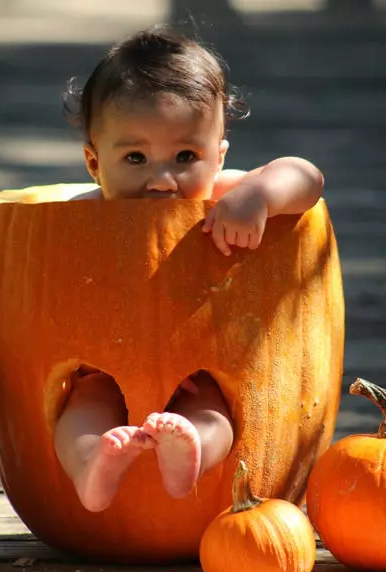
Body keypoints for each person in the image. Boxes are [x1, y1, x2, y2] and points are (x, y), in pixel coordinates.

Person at [54, 26, 325, 513]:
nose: (162, 180)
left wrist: (260, 194)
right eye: (135, 157)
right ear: (95, 162)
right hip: (105, 366)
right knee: (82, 410)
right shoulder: (79, 216)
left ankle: (191, 455)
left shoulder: (227, 197)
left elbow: (307, 177)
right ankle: (92, 464)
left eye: (186, 157)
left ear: (218, 156)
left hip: (200, 368)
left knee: (213, 414)